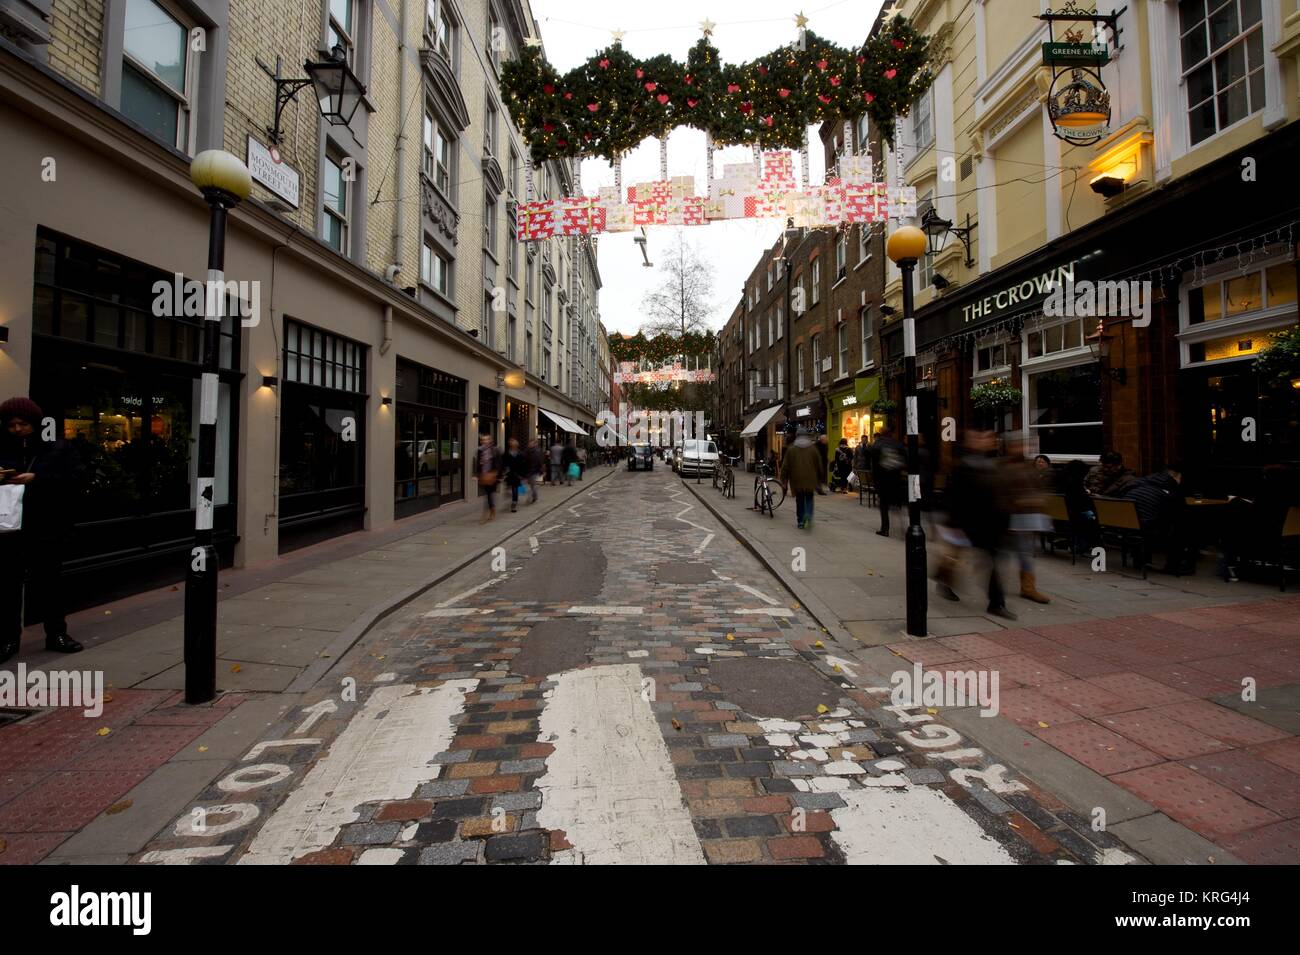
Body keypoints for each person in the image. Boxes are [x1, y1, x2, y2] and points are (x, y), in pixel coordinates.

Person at [0, 397, 84, 661]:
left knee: (49, 583)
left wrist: (38, 478)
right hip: (7, 528)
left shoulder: (55, 448)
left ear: (34, 423)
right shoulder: (2, 447)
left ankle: (56, 633)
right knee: (7, 586)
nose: (16, 429)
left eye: (22, 424)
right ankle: (7, 640)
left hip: (45, 526)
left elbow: (76, 478)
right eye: (11, 424)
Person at [939, 430, 1015, 619]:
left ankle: (996, 603)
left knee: (990, 561)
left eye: (989, 437)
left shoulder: (994, 464)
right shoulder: (963, 466)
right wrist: (953, 523)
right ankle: (945, 581)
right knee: (957, 557)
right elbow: (954, 497)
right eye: (980, 437)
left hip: (988, 523)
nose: (985, 441)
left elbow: (999, 494)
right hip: (968, 522)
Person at [1005, 436, 1051, 604]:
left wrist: (1038, 501)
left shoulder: (1027, 468)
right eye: (1017, 445)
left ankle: (1028, 587)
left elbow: (1037, 488)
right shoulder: (1005, 468)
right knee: (1001, 554)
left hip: (1026, 517)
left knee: (1025, 553)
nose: (1021, 448)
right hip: (1011, 516)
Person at [1123, 464, 1189, 573]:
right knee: (1180, 528)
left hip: (1125, 524)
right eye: (1180, 478)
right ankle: (1173, 566)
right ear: (1176, 476)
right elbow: (1175, 512)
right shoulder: (1171, 487)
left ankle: (1139, 560)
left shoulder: (1142, 481)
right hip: (1144, 527)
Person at [781, 425, 822, 529]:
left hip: (797, 480)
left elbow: (785, 467)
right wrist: (819, 479)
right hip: (810, 480)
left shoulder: (791, 449)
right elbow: (819, 465)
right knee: (809, 498)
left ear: (797, 436)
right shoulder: (813, 449)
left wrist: (784, 481)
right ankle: (807, 515)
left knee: (799, 500)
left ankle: (800, 521)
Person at [870, 426, 906, 537]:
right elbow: (905, 459)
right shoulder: (898, 444)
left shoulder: (878, 444)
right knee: (897, 504)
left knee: (884, 505)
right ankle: (903, 527)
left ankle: (885, 529)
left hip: (883, 479)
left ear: (881, 434)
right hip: (896, 479)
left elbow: (872, 460)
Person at [474, 433, 502, 522]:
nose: (485, 441)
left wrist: (499, 476)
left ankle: (488, 513)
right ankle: (491, 510)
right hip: (483, 475)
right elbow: (477, 463)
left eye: (487, 439)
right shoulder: (480, 450)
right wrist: (476, 474)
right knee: (487, 495)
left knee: (489, 495)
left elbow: (499, 464)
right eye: (483, 440)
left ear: (490, 441)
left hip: (493, 475)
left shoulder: (495, 450)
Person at [502, 437, 527, 513]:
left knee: (515, 489)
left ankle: (514, 503)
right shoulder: (506, 454)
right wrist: (504, 472)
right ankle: (512, 496)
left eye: (514, 445)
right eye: (512, 445)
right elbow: (503, 463)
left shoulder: (520, 454)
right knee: (509, 487)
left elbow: (523, 465)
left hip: (517, 474)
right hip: (509, 474)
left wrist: (523, 474)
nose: (513, 446)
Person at [525, 437, 544, 504]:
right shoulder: (527, 451)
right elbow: (524, 461)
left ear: (535, 444)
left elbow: (540, 461)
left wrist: (541, 470)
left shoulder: (538, 451)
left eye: (532, 443)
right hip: (528, 471)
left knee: (532, 485)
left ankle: (531, 497)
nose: (530, 444)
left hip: (534, 471)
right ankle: (534, 496)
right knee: (531, 485)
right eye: (529, 443)